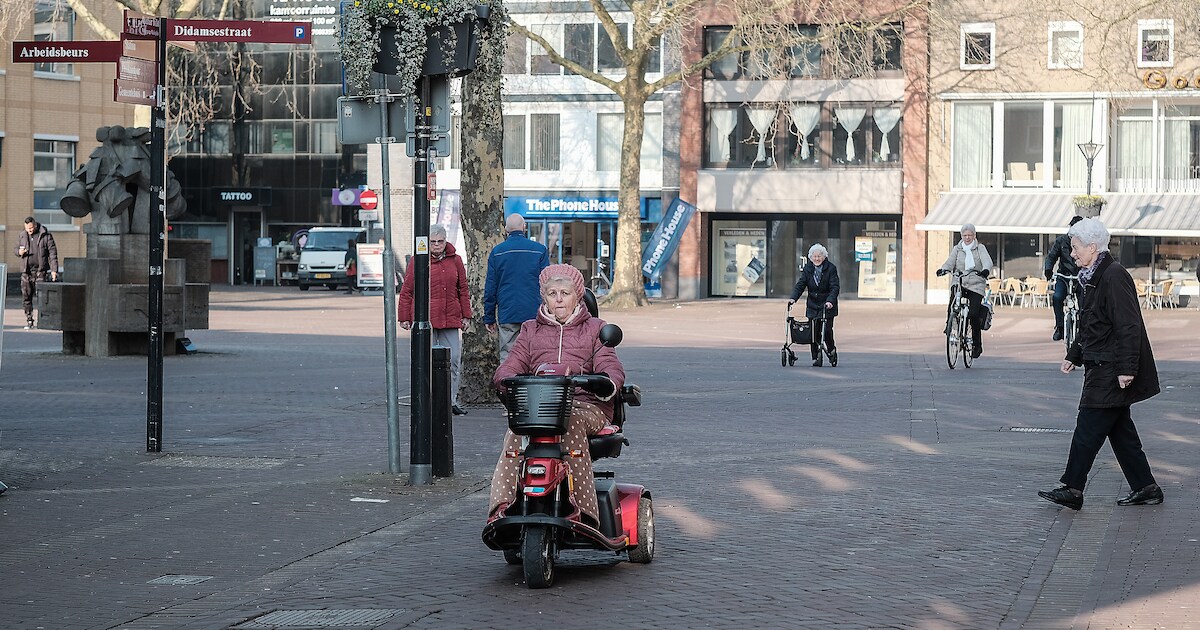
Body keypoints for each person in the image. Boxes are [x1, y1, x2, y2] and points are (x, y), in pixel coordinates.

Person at [1039, 218, 1163, 511]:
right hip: (1101, 364)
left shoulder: (1113, 276)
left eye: (1076, 248)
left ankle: (1073, 488)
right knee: (1120, 432)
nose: (1072, 254)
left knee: (1087, 429)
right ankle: (1146, 487)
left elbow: (1129, 325)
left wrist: (1127, 369)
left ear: (1093, 247)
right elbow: (1093, 323)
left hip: (1110, 369)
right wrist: (1074, 354)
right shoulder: (1093, 276)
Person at [488, 264, 625, 528]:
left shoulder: (596, 329)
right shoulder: (530, 330)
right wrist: (504, 378)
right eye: (552, 293)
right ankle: (502, 506)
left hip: (584, 405)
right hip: (539, 405)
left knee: (570, 422)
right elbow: (512, 364)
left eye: (565, 292)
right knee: (516, 430)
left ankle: (584, 512)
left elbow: (611, 366)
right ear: (544, 297)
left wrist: (606, 382)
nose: (559, 299)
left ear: (578, 296)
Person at [398, 224, 472, 415]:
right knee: (426, 360)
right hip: (425, 319)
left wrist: (466, 315)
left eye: (440, 241)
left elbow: (463, 289)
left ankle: (450, 401)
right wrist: (404, 317)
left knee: (454, 360)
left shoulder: (456, 261)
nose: (437, 245)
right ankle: (428, 400)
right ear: (427, 242)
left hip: (450, 318)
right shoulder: (418, 260)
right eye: (433, 241)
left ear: (446, 240)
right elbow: (407, 290)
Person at [482, 214, 550, 362]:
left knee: (508, 356)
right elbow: (548, 283)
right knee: (535, 354)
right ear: (524, 227)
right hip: (534, 312)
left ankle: (508, 384)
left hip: (508, 312)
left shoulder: (497, 252)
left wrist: (489, 317)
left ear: (506, 229)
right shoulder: (539, 250)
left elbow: (490, 288)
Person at [936, 224, 993, 358]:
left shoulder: (980, 248)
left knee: (973, 314)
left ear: (974, 235)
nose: (967, 238)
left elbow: (987, 261)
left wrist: (985, 271)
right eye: (965, 235)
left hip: (975, 283)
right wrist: (944, 269)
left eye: (970, 235)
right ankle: (949, 324)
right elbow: (950, 262)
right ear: (961, 236)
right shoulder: (958, 249)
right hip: (959, 281)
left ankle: (977, 346)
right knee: (952, 303)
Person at [789, 243, 840, 367]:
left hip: (827, 304)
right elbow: (801, 284)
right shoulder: (808, 269)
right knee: (813, 332)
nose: (817, 259)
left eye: (819, 256)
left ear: (824, 257)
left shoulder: (831, 268)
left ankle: (831, 349)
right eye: (814, 256)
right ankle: (816, 356)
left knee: (827, 330)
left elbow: (835, 287)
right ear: (811, 258)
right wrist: (793, 298)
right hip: (812, 304)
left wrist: (830, 301)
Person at [14, 217, 59, 329]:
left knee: (42, 298)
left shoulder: (45, 235)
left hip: (40, 271)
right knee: (26, 297)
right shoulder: (22, 235)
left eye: (31, 228)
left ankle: (43, 320)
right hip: (26, 272)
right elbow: (15, 249)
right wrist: (19, 252)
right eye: (27, 228)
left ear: (35, 225)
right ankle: (29, 320)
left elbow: (52, 254)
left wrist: (54, 270)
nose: (29, 231)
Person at [1044, 216, 1084, 341]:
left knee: (1085, 301)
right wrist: (1048, 270)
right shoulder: (1061, 241)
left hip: (1080, 277)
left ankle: (1084, 328)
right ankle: (1060, 327)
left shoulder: (1085, 242)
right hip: (1064, 276)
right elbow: (1051, 257)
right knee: (1057, 297)